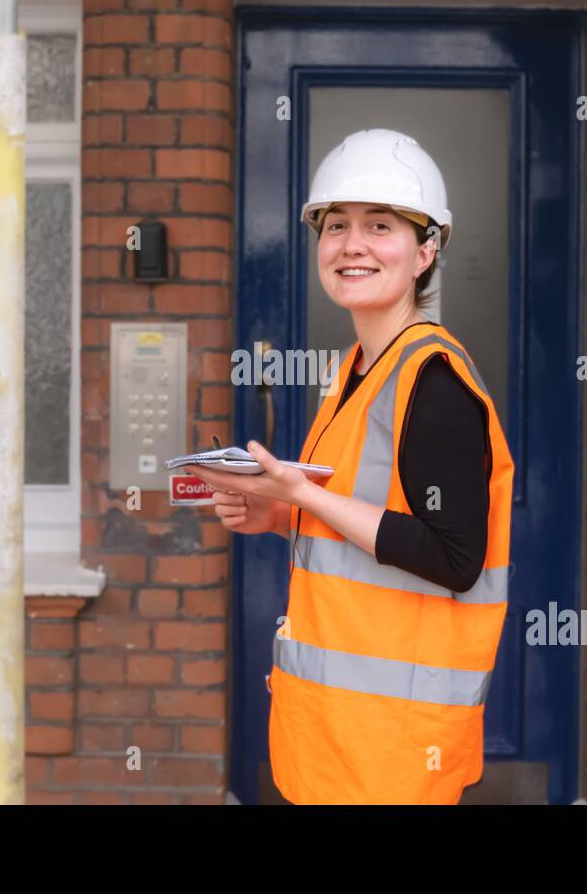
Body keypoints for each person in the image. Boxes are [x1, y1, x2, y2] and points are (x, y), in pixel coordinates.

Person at [189, 128, 514, 805]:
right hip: (336, 744)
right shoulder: (355, 373)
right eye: (335, 226)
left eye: (380, 225)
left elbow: (455, 558)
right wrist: (278, 514)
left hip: (391, 755)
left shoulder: (434, 381)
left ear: (426, 252)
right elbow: (370, 530)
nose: (351, 244)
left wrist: (298, 496)